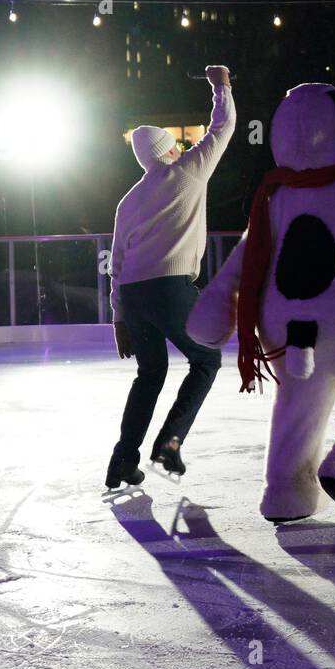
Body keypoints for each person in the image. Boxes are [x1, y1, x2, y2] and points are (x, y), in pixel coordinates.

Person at [105, 65, 236, 490]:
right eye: (175, 144)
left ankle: (123, 461)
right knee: (207, 359)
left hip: (134, 296)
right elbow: (224, 125)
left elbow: (117, 264)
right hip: (169, 286)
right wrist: (220, 85)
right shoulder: (190, 171)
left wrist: (119, 320)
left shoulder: (129, 200)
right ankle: (169, 442)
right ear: (169, 150)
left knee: (150, 374)